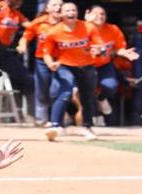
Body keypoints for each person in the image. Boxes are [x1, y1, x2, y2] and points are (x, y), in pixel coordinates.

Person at [37, 1, 96, 140]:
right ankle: (55, 126)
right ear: (61, 14)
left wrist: (98, 49)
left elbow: (98, 44)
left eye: (73, 10)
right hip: (65, 65)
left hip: (86, 65)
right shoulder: (54, 31)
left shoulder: (88, 27)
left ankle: (87, 127)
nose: (71, 13)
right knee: (66, 92)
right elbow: (46, 53)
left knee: (87, 97)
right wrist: (50, 64)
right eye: (67, 11)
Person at [81, 5, 135, 126]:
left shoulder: (113, 29)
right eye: (96, 13)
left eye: (102, 14)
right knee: (88, 91)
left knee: (111, 86)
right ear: (88, 14)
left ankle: (102, 98)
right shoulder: (81, 28)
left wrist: (123, 52)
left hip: (104, 64)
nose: (99, 16)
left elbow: (119, 48)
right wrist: (86, 23)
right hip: (86, 66)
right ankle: (93, 118)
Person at [17, 0, 62, 127]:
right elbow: (26, 36)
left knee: (55, 90)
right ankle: (41, 119)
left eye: (60, 5)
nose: (58, 7)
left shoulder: (67, 23)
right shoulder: (39, 22)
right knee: (41, 90)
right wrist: (22, 45)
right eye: (54, 5)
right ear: (47, 8)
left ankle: (56, 119)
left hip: (61, 60)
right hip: (42, 60)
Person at [0, 0, 35, 123]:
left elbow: (31, 26)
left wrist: (45, 22)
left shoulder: (16, 14)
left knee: (28, 79)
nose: (20, 2)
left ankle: (31, 115)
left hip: (3, 52)